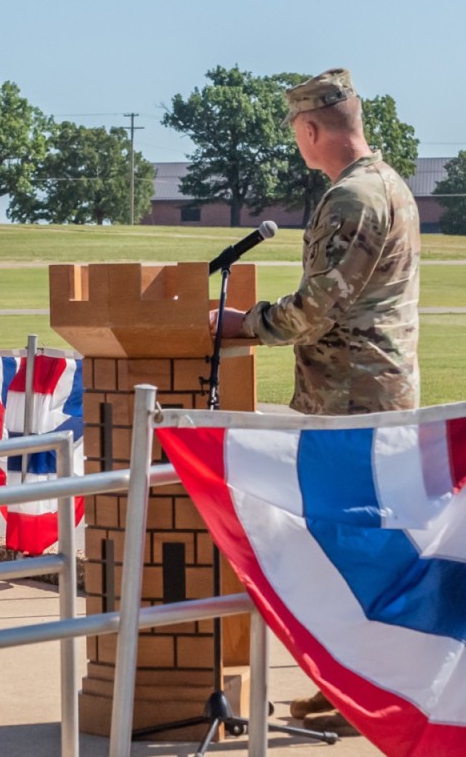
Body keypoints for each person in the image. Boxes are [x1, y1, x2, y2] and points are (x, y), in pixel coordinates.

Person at [212, 68, 421, 734]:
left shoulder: (353, 197)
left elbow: (317, 309)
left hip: (352, 404)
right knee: (364, 545)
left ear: (310, 130)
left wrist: (242, 323)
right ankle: (362, 688)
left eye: (296, 136)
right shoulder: (388, 183)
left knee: (354, 549)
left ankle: (377, 695)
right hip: (368, 396)